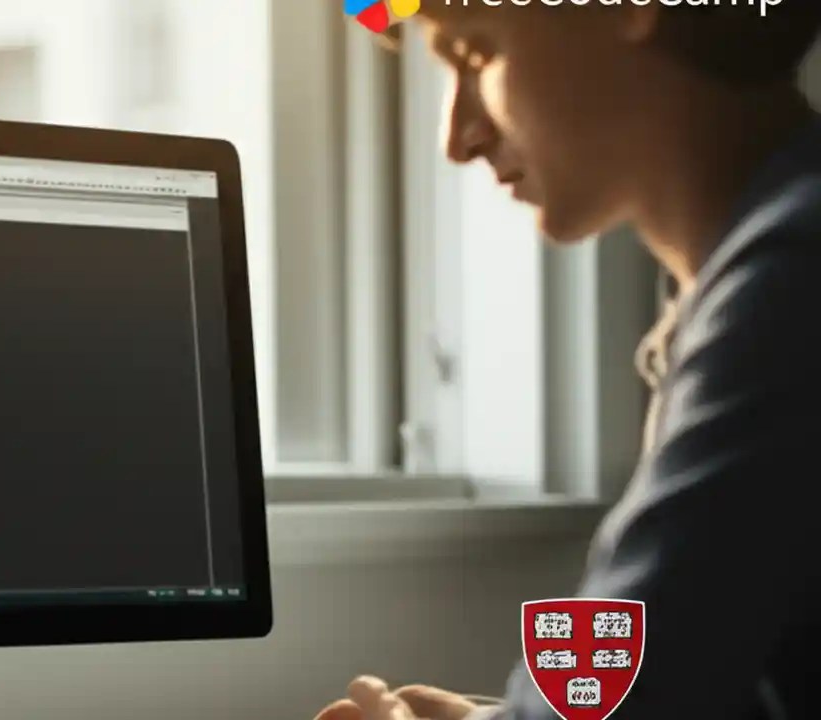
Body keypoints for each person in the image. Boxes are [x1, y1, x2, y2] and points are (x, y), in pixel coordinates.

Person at [314, 2, 821, 719]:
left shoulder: (788, 290)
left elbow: (642, 690)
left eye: (475, 55)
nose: (457, 139)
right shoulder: (755, 278)